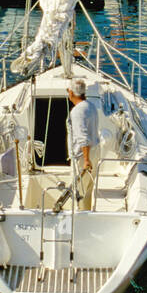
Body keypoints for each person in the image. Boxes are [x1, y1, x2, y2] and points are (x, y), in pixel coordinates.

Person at [62, 77, 100, 210]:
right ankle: (86, 211)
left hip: (82, 157)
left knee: (79, 190)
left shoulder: (77, 111)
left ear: (71, 92)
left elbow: (83, 137)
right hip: (95, 151)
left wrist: (86, 160)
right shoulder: (91, 106)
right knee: (88, 188)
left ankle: (78, 214)